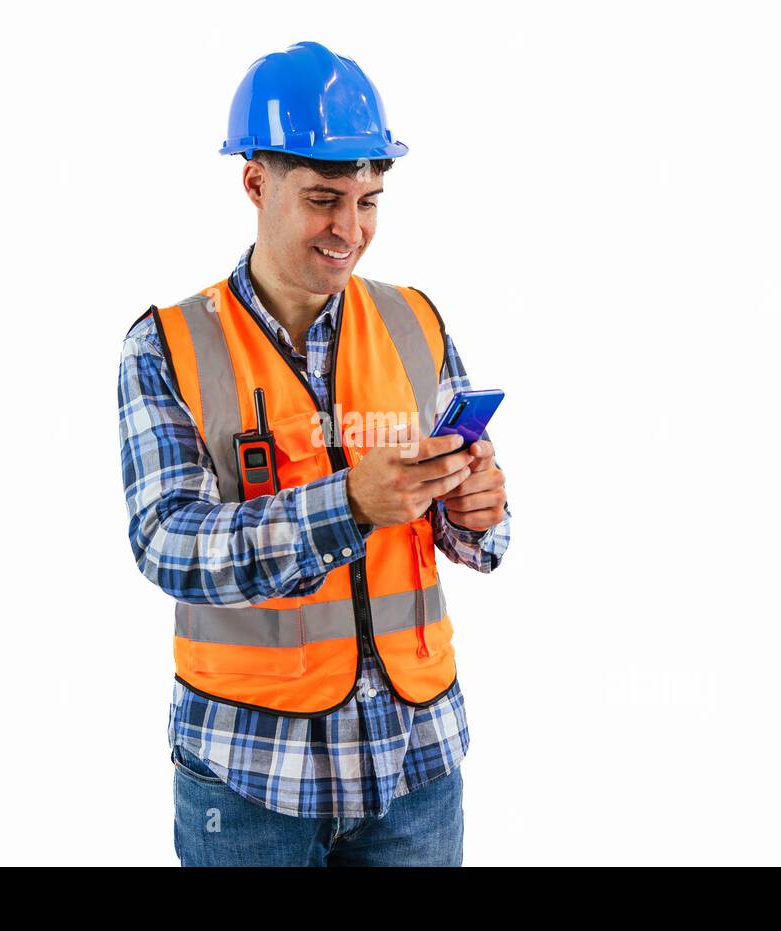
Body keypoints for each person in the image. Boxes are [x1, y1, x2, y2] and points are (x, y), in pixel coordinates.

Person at [117, 40, 510, 866]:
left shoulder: (416, 321)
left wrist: (477, 512)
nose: (351, 230)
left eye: (369, 200)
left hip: (417, 763)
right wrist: (351, 503)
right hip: (251, 777)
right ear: (255, 183)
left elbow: (475, 530)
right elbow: (166, 543)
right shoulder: (168, 346)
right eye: (324, 199)